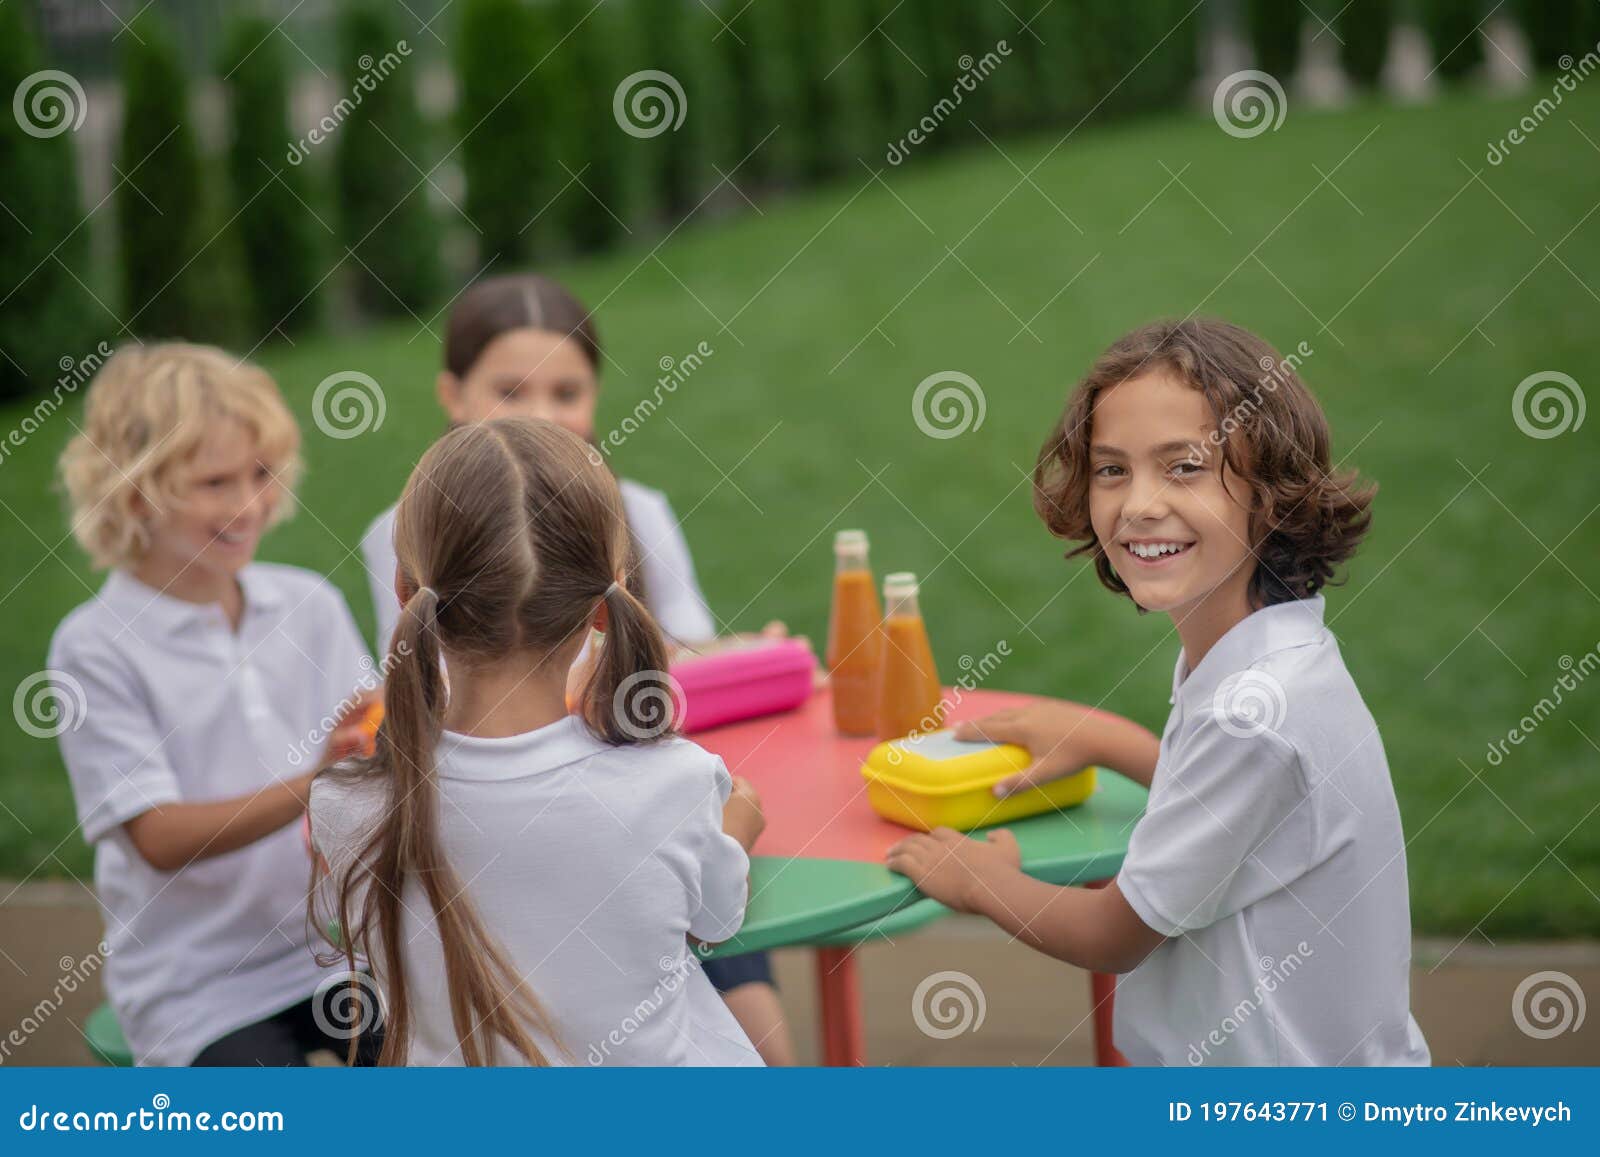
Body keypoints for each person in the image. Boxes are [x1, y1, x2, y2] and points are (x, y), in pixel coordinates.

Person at [887, 319, 1430, 1067]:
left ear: (1272, 493)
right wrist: (1105, 740)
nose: (1139, 503)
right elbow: (1244, 813)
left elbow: (1115, 934)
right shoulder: (1270, 658)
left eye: (1184, 468)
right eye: (1112, 470)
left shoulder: (1251, 713)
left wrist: (980, 880)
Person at [357, 273, 794, 1064]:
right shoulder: (680, 785)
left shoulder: (346, 805)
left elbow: (688, 644)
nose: (539, 414)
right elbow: (718, 910)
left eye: (566, 389)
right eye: (512, 389)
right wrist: (734, 824)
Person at [50, 343, 381, 1066]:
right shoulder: (93, 647)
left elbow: (368, 748)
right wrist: (317, 781)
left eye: (260, 474)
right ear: (133, 492)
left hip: (340, 947)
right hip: (199, 983)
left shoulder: (308, 603)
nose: (248, 504)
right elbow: (158, 837)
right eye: (213, 482)